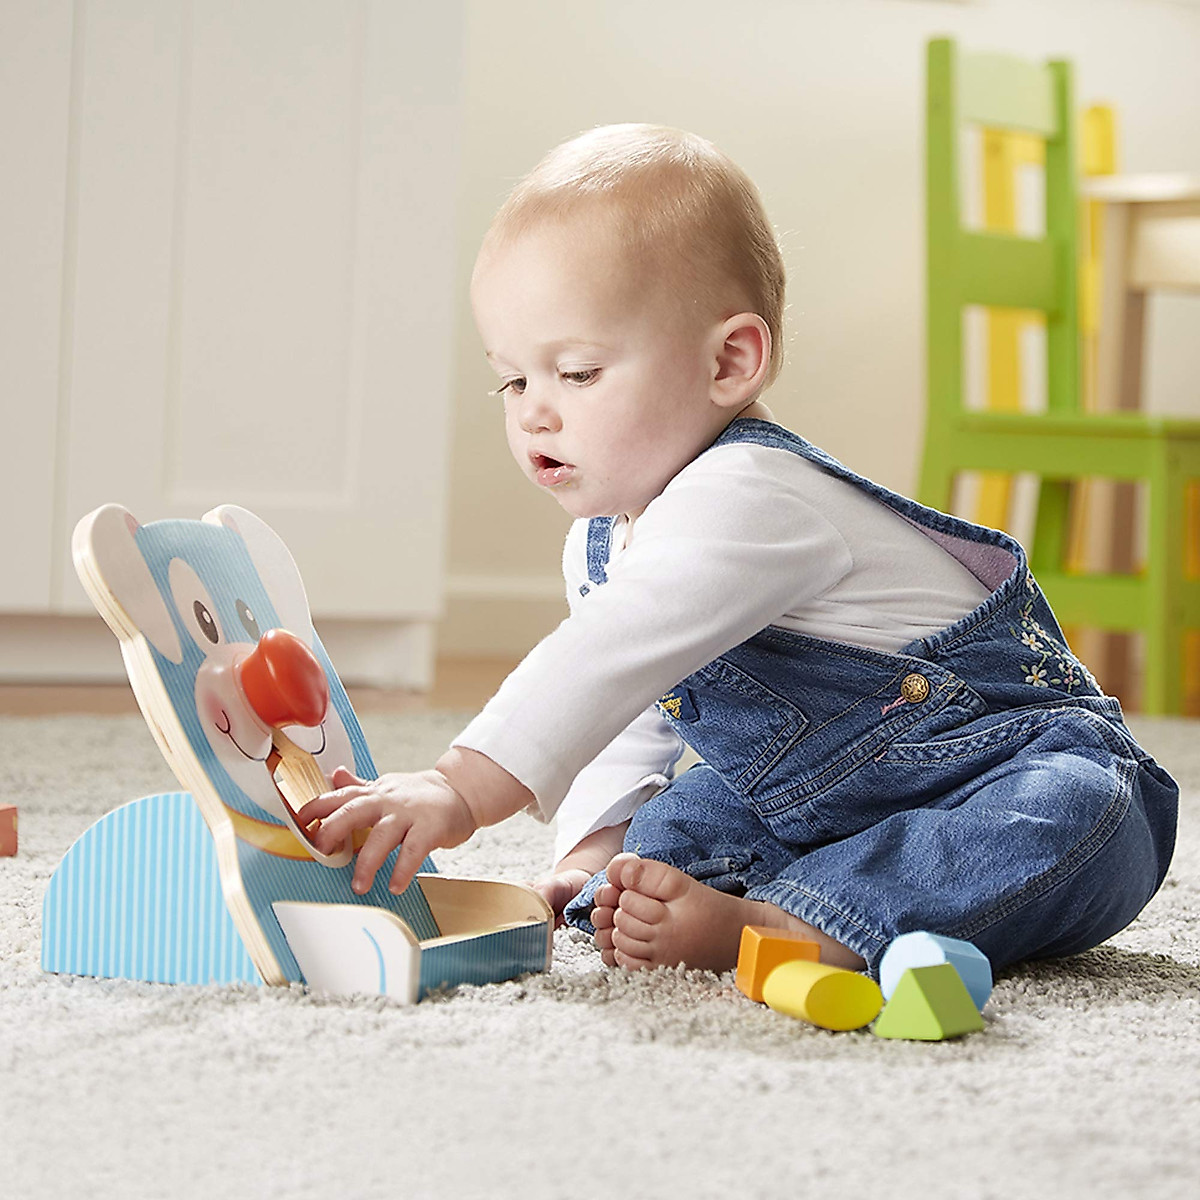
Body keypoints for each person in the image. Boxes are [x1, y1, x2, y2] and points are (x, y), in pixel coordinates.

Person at [298, 124, 1178, 979]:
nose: (534, 411)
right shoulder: (600, 545)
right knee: (687, 816)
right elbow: (628, 705)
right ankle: (692, 894)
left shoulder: (752, 495)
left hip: (1005, 761)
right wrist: (594, 850)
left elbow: (601, 659)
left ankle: (791, 924)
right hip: (816, 807)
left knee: (1074, 813)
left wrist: (457, 789)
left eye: (576, 373)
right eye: (514, 378)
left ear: (730, 361)